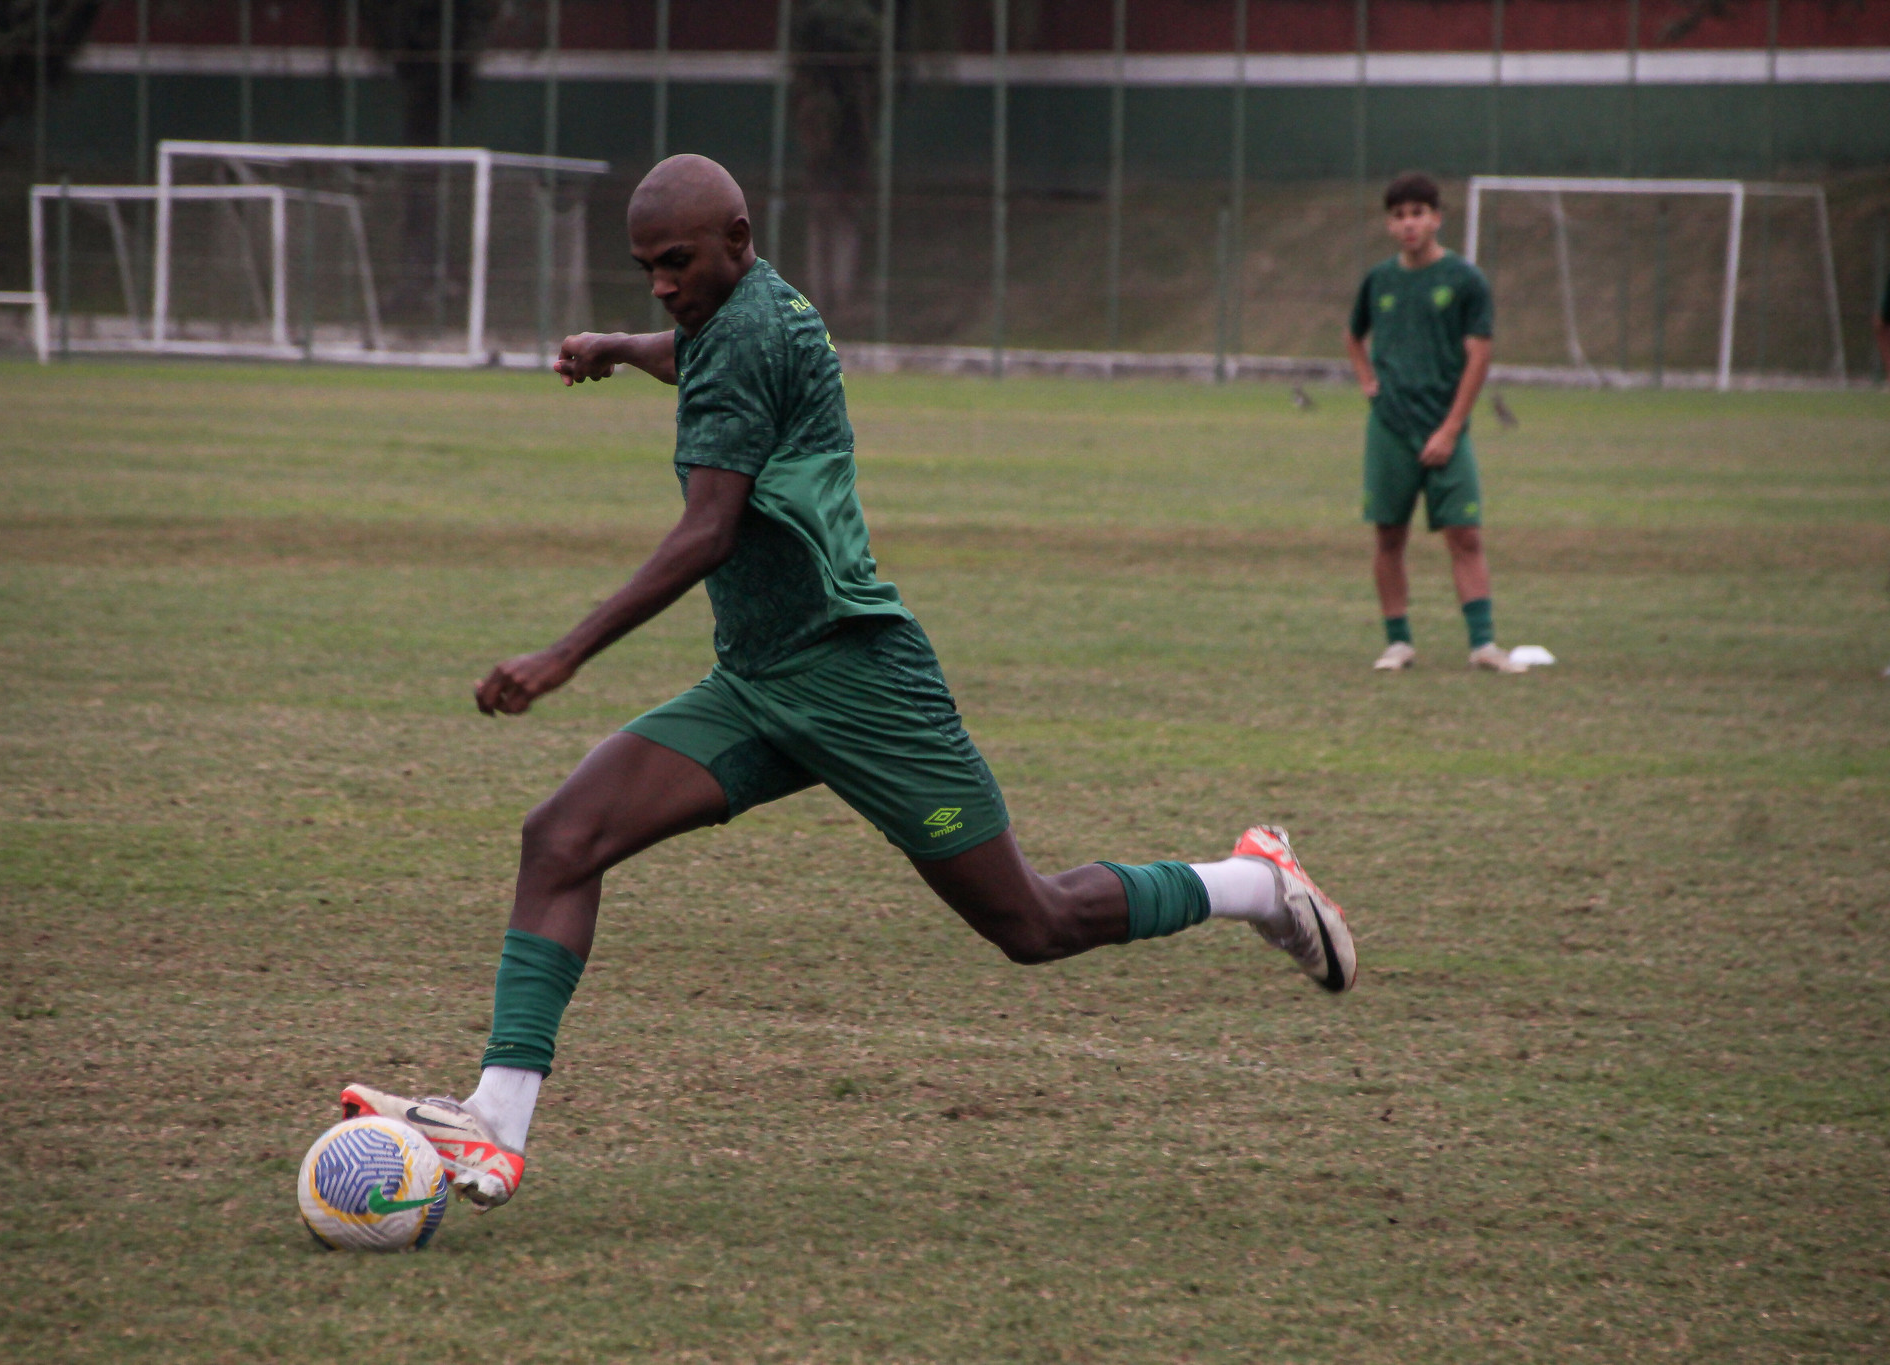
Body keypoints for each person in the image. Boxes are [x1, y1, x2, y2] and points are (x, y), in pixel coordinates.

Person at [341, 156, 1357, 1211]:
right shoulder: (750, 304)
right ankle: (495, 1127)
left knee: (1032, 924)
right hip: (760, 679)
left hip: (859, 678)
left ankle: (1253, 881)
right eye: (644, 269)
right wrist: (618, 348)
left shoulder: (741, 332)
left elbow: (707, 532)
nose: (659, 286)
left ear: (737, 237)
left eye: (675, 263)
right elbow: (695, 349)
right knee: (561, 837)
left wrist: (563, 655)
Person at [1347, 172, 1525, 674]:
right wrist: (1366, 379)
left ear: (1437, 218)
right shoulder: (1379, 280)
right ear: (1390, 224)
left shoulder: (1466, 281)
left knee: (1465, 535)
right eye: (1400, 215)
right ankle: (1398, 642)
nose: (1409, 224)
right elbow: (1352, 333)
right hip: (1390, 428)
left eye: (1418, 213)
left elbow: (1479, 358)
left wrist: (1450, 430)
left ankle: (1484, 645)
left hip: (1445, 426)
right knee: (1388, 537)